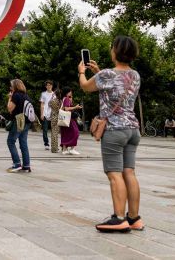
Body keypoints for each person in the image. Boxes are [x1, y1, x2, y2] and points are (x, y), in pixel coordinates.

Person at [79, 35, 143, 233]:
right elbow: (117, 87)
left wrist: (82, 72)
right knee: (129, 172)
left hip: (114, 131)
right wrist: (98, 72)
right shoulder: (135, 75)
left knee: (114, 174)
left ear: (116, 51)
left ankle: (118, 218)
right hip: (132, 129)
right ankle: (134, 218)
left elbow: (86, 87)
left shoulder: (106, 75)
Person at [5, 79, 32, 173]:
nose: (10, 87)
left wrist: (10, 97)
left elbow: (10, 109)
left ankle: (17, 164)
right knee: (23, 143)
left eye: (11, 86)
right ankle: (26, 166)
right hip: (27, 121)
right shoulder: (26, 96)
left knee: (10, 141)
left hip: (19, 120)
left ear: (15, 86)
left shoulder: (16, 95)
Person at [60, 89, 82, 155]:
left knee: (66, 133)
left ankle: (64, 149)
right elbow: (66, 109)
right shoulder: (66, 99)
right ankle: (72, 149)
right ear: (67, 92)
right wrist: (75, 107)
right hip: (69, 118)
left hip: (64, 119)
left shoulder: (64, 98)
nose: (71, 93)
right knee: (76, 132)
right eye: (70, 91)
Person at [39, 81, 55, 151]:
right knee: (45, 130)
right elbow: (42, 104)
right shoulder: (43, 94)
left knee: (53, 130)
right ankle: (46, 144)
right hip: (45, 114)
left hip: (52, 114)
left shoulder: (54, 94)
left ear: (52, 86)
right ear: (46, 86)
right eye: (47, 85)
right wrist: (42, 114)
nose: (49, 86)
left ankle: (54, 144)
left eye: (50, 85)